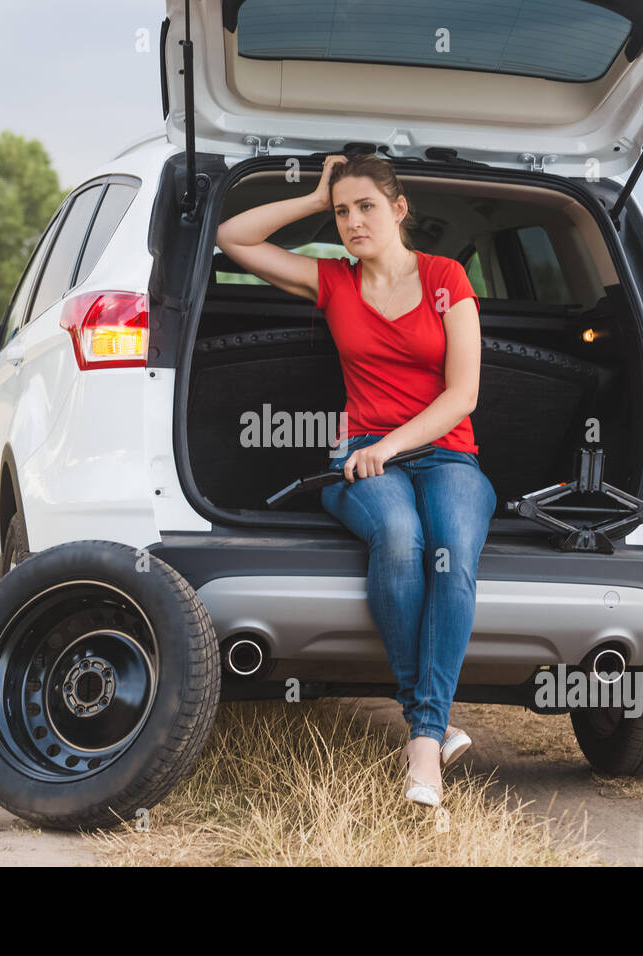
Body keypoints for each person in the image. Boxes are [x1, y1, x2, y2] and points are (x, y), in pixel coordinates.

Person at [215, 153, 497, 807]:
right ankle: (428, 734)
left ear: (399, 209)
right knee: (398, 536)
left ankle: (421, 736)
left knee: (449, 549)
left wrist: (396, 445)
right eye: (342, 212)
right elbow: (234, 238)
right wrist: (314, 198)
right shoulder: (334, 281)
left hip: (446, 454)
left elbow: (464, 395)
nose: (352, 221)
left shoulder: (446, 278)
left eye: (365, 206)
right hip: (361, 458)